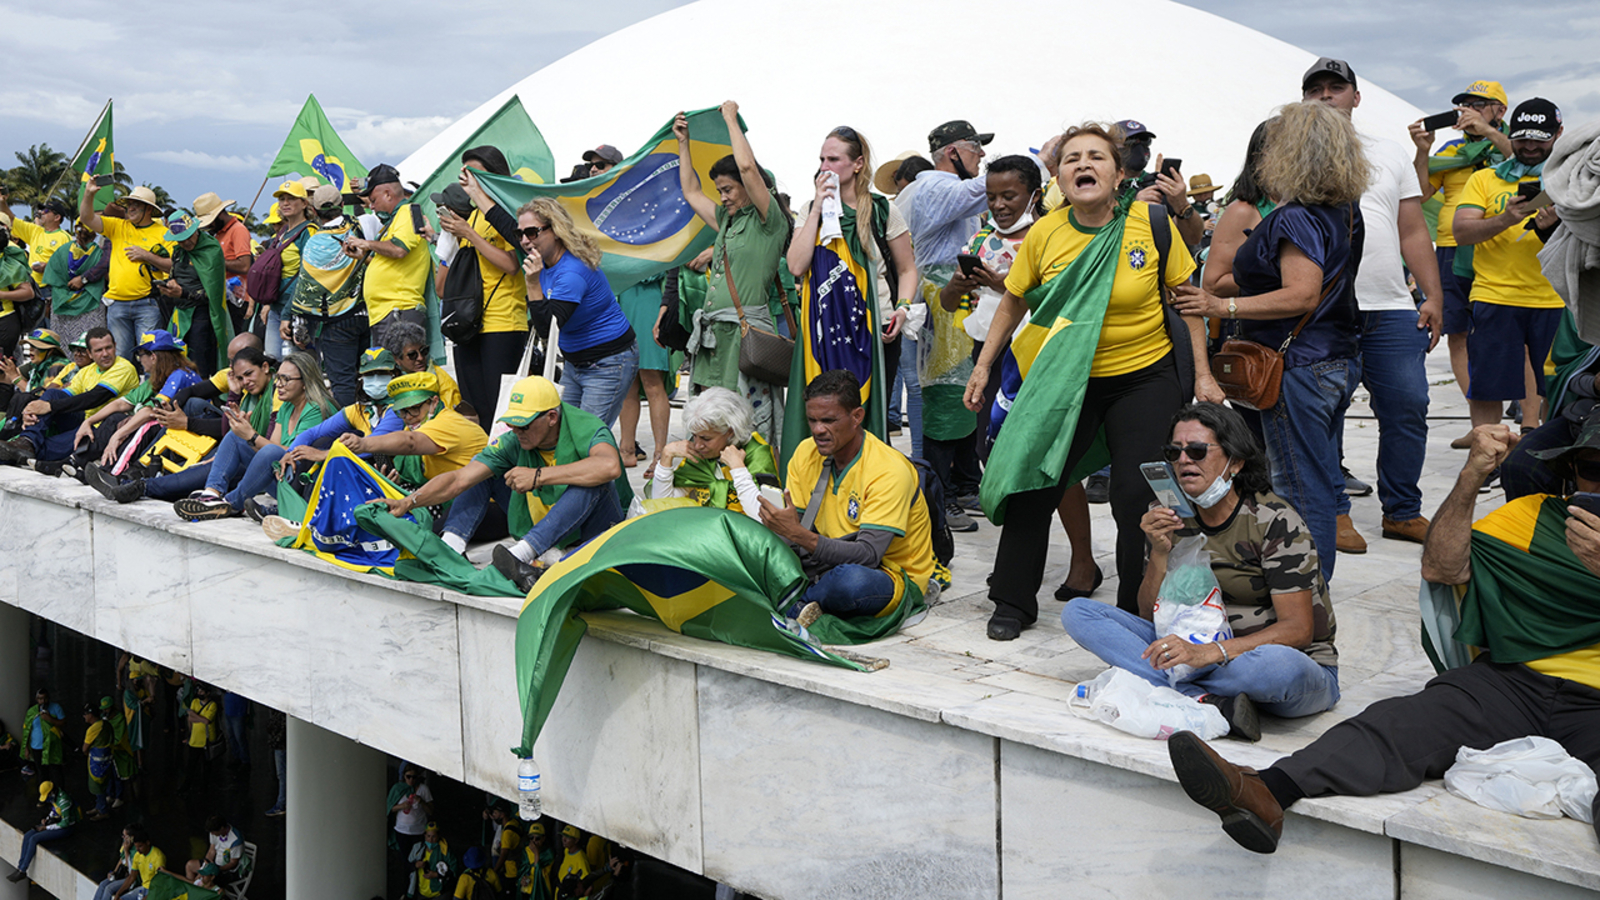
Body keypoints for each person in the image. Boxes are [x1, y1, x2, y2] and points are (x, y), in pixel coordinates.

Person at [1166, 419, 1600, 854]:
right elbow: (1441, 568)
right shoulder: (1533, 516)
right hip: (1513, 680)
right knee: (1399, 721)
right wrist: (1471, 477)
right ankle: (1265, 791)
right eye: (1591, 467)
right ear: (1570, 472)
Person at [967, 122, 1209, 638]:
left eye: (1096, 157)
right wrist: (985, 365)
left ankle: (1132, 610)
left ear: (1120, 173)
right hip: (1065, 378)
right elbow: (1012, 299)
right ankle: (1012, 602)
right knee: (1034, 479)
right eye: (1072, 157)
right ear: (1059, 175)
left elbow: (1188, 303)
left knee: (1133, 493)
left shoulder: (1150, 224)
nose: (1083, 165)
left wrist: (1204, 375)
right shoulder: (1046, 233)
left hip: (1144, 377)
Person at [1171, 101, 1369, 585]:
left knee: (1302, 487)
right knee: (1316, 479)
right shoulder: (1342, 211)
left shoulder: (1294, 216)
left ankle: (1306, 595)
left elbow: (1301, 293)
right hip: (1336, 359)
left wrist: (1223, 308)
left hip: (1298, 365)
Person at [1063, 403, 1338, 741]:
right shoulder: (1169, 514)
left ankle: (1178, 686)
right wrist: (1160, 553)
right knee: (1079, 613)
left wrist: (1209, 654)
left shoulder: (1274, 520)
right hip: (1193, 648)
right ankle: (1206, 698)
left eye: (1196, 451)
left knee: (1277, 667)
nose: (1183, 461)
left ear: (1235, 462)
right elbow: (1149, 614)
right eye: (1174, 452)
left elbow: (1298, 630)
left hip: (1265, 660)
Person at [941, 154, 1104, 600]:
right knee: (994, 456)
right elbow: (948, 302)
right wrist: (958, 287)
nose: (999, 205)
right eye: (992, 196)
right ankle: (1015, 561)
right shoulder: (979, 241)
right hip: (988, 359)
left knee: (1056, 463)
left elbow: (1062, 305)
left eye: (1009, 195)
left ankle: (1082, 560)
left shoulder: (1052, 239)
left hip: (1038, 359)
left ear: (1035, 194)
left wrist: (1004, 286)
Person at [1300, 56, 1445, 551]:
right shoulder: (1289, 153)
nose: (1325, 96)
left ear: (1355, 97)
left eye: (1335, 88)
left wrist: (1433, 294)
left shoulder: (1388, 152)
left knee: (1409, 404)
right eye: (1315, 88)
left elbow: (1412, 228)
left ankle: (1402, 510)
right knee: (1326, 411)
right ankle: (1334, 509)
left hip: (1389, 304)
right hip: (1322, 307)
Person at [372, 375, 626, 593]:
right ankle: (451, 548)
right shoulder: (514, 441)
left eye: (523, 425)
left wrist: (538, 475)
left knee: (593, 479)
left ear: (551, 417)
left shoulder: (588, 428)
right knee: (483, 473)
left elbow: (609, 466)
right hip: (547, 524)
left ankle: (522, 555)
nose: (516, 431)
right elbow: (459, 479)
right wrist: (408, 502)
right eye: (513, 423)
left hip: (595, 530)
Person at [760, 369, 935, 625]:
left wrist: (798, 535)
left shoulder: (888, 469)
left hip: (886, 574)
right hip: (822, 564)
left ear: (857, 417)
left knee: (850, 583)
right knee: (752, 546)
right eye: (812, 420)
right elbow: (795, 527)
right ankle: (801, 601)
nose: (818, 429)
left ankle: (793, 603)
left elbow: (868, 555)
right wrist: (776, 528)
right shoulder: (805, 451)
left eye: (829, 420)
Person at [785, 125, 918, 453]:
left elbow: (907, 268)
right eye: (821, 159)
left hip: (876, 332)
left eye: (834, 159)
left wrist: (902, 307)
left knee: (864, 415)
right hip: (821, 336)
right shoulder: (808, 209)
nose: (824, 167)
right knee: (821, 415)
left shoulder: (882, 210)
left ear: (858, 163)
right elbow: (795, 266)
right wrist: (818, 206)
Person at [675, 101, 791, 450]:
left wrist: (729, 119)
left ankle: (752, 475)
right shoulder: (727, 221)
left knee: (745, 415)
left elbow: (747, 166)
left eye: (728, 189)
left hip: (745, 335)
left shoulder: (769, 221)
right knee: (710, 412)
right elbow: (692, 192)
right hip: (714, 336)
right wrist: (683, 144)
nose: (722, 197)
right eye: (721, 191)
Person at [1453, 98, 1566, 435]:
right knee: (1488, 386)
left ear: (1558, 133)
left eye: (1540, 138)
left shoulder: (1571, 180)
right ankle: (1485, 457)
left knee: (1559, 386)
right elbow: (1461, 232)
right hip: (1495, 296)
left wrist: (1554, 225)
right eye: (1522, 138)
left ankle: (1553, 459)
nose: (1530, 146)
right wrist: (1506, 218)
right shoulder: (1485, 179)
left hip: (1557, 299)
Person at [905, 119, 994, 532]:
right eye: (977, 148)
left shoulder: (951, 192)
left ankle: (964, 482)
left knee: (967, 394)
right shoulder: (934, 187)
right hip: (943, 302)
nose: (982, 157)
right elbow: (984, 190)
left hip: (963, 303)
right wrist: (1041, 164)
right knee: (944, 397)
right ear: (953, 152)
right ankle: (940, 494)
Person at [1410, 80, 1512, 439]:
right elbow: (1421, 193)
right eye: (1463, 104)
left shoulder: (1518, 142)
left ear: (1499, 110)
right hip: (1453, 247)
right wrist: (1423, 151)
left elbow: (1525, 161)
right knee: (1458, 335)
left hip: (1502, 247)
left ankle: (1528, 424)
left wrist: (1485, 131)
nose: (1467, 109)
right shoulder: (1452, 149)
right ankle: (1480, 424)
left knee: (1511, 337)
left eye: (1478, 104)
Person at [86, 344, 277, 504]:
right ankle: (132, 475)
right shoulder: (235, 378)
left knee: (210, 462)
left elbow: (269, 449)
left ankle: (142, 485)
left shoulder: (277, 395)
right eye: (238, 374)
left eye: (248, 373)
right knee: (181, 411)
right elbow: (229, 432)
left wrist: (188, 423)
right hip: (242, 444)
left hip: (263, 457)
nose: (244, 381)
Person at [517, 197, 639, 428]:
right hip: (575, 363)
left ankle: (608, 463)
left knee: (586, 436)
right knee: (563, 432)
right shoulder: (543, 257)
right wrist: (475, 189)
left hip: (608, 362)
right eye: (520, 233)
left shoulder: (571, 272)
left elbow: (547, 329)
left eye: (532, 232)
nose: (524, 240)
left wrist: (532, 284)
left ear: (555, 230)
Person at [170, 350, 334, 519]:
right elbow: (274, 450)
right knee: (235, 437)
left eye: (286, 379)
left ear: (305, 382)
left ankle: (229, 503)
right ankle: (211, 494)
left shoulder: (316, 408)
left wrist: (252, 436)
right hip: (283, 478)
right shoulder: (287, 406)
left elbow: (292, 454)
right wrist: (245, 432)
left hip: (304, 487)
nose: (278, 384)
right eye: (278, 378)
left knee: (268, 451)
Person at [440, 148, 529, 423]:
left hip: (503, 324)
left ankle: (510, 465)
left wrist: (469, 233)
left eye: (477, 173)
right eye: (466, 173)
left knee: (502, 410)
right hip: (468, 324)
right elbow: (445, 284)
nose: (470, 180)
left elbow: (512, 264)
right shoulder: (474, 214)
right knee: (478, 407)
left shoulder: (507, 213)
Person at [337, 370, 487, 492]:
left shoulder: (446, 422)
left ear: (434, 402)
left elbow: (411, 442)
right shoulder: (416, 423)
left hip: (476, 499)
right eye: (403, 411)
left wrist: (363, 444)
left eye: (415, 408)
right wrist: (395, 481)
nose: (408, 417)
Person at [648, 386, 778, 519]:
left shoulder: (757, 454)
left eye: (706, 438)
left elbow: (765, 517)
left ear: (730, 431)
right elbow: (662, 507)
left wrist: (738, 470)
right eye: (694, 436)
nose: (698, 445)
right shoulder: (699, 456)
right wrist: (666, 457)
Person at [132, 209, 232, 376]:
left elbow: (214, 293)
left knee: (199, 361)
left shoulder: (211, 250)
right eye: (180, 240)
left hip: (203, 315)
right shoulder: (179, 251)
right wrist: (169, 285)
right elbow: (174, 273)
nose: (185, 243)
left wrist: (183, 293)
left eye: (187, 238)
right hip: (180, 312)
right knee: (177, 359)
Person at [79, 185, 170, 361]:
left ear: (149, 208)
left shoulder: (164, 234)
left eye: (136, 204)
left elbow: (173, 266)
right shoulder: (117, 226)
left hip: (148, 303)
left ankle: (152, 390)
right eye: (129, 204)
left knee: (150, 358)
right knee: (120, 359)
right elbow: (86, 217)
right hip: (117, 304)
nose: (131, 208)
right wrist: (89, 194)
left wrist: (147, 256)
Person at [346, 164, 431, 349]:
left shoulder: (406, 212)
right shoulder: (394, 220)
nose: (373, 206)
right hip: (388, 312)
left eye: (373, 200)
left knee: (399, 373)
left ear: (388, 194)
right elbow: (388, 261)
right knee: (388, 372)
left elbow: (399, 250)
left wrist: (367, 243)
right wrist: (362, 255)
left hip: (399, 310)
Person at [614, 272, 672, 468]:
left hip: (649, 297)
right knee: (627, 381)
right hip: (622, 298)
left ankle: (661, 453)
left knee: (652, 380)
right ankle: (627, 449)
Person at [260, 180, 319, 359]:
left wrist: (288, 314)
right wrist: (267, 303)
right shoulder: (282, 232)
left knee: (294, 364)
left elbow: (306, 275)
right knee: (271, 359)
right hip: (276, 306)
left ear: (304, 203)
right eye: (282, 199)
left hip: (296, 309)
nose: (285, 203)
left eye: (291, 199)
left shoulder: (309, 231)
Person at [192, 192, 255, 337]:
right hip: (223, 296)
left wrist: (214, 263)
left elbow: (245, 265)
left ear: (219, 214)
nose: (209, 226)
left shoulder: (238, 230)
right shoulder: (218, 233)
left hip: (236, 299)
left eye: (210, 222)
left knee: (231, 341)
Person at [39, 220, 111, 345]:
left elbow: (53, 278)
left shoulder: (61, 251)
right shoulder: (100, 254)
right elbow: (106, 275)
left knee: (64, 348)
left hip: (62, 306)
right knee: (91, 347)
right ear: (94, 233)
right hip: (92, 307)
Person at [383, 320, 464, 412]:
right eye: (412, 355)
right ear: (397, 359)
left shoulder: (441, 380)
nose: (420, 358)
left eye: (424, 351)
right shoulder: (392, 378)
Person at [8, 781, 78, 883]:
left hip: (65, 828)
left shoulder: (64, 801)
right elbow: (54, 810)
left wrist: (46, 828)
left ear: (51, 792)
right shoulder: (55, 797)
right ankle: (20, 867)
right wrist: (47, 820)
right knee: (28, 835)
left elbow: (65, 823)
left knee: (34, 839)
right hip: (55, 823)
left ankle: (23, 870)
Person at [0, 213, 36, 359]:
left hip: (4, 321)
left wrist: (2, 295)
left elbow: (28, 292)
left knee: (3, 372)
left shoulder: (9, 262)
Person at [389, 765, 435, 871]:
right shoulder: (398, 788)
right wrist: (402, 806)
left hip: (418, 831)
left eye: (414, 777)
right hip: (401, 830)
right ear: (404, 776)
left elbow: (431, 811)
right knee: (405, 862)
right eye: (408, 776)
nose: (411, 780)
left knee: (419, 861)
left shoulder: (423, 789)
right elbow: (389, 808)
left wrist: (421, 802)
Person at [185, 815, 248, 888]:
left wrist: (216, 869)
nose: (211, 834)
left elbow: (233, 863)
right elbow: (212, 850)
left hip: (226, 871)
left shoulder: (236, 840)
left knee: (203, 881)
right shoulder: (214, 832)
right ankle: (190, 889)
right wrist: (205, 865)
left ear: (222, 828)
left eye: (213, 832)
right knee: (190, 865)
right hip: (214, 864)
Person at [19, 687, 64, 783]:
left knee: (55, 771)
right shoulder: (31, 711)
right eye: (40, 699)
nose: (42, 701)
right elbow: (27, 730)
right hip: (37, 747)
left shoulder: (56, 707)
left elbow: (63, 722)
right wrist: (26, 748)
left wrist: (50, 719)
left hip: (52, 745)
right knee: (42, 772)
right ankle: (44, 794)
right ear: (36, 700)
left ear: (48, 698)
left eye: (45, 698)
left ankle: (59, 793)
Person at [110, 825, 165, 900]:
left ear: (147, 843)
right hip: (143, 888)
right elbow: (132, 877)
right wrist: (118, 894)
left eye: (140, 846)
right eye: (136, 847)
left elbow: (159, 886)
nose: (138, 849)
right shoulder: (138, 855)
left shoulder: (158, 857)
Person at [82, 702, 115, 819]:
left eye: (85, 714)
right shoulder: (106, 724)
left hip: (96, 763)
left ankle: (102, 810)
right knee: (104, 784)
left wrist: (87, 753)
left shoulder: (93, 729)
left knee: (97, 786)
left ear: (91, 715)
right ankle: (99, 806)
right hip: (107, 760)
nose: (84, 716)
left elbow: (84, 748)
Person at [91, 827, 137, 900]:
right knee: (103, 884)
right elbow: (121, 860)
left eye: (125, 836)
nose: (123, 838)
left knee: (109, 888)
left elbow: (131, 869)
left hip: (130, 877)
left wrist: (126, 851)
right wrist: (114, 872)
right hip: (121, 873)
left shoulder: (135, 850)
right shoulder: (125, 844)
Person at [264, 707, 286, 817]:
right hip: (281, 745)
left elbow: (272, 727)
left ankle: (281, 804)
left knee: (282, 775)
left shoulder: (279, 715)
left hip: (280, 746)